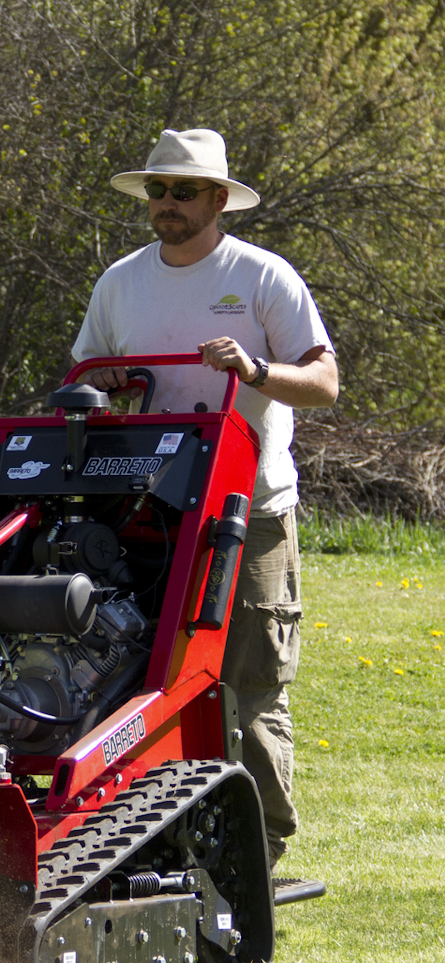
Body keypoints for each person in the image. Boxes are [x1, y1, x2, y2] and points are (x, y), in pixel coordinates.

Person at [72, 127, 339, 868]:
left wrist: (255, 370)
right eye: (158, 190)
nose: (166, 204)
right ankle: (154, 837)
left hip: (245, 513)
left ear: (218, 200)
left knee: (248, 686)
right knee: (137, 675)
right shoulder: (120, 282)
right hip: (146, 510)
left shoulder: (261, 276)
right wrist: (107, 391)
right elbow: (84, 377)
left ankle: (261, 853)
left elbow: (324, 381)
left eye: (183, 192)